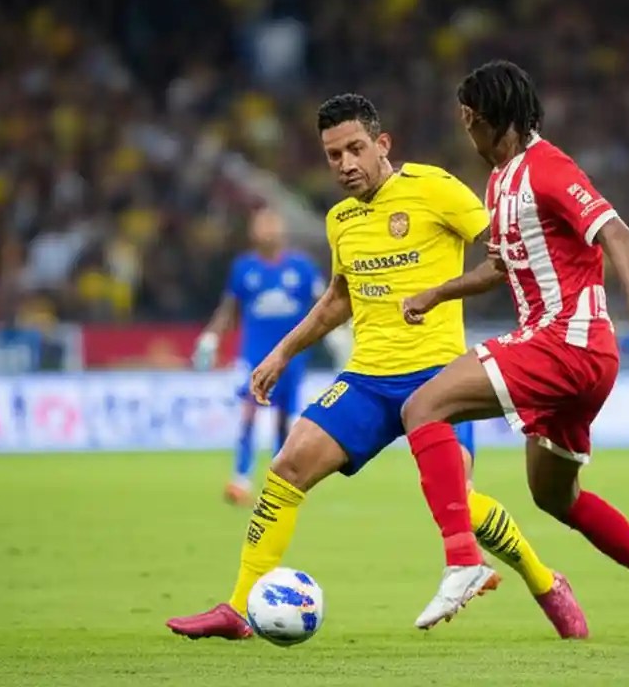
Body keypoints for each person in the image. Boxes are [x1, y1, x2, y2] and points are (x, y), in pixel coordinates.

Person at [165, 93, 587, 640]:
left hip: (440, 379)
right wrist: (282, 352)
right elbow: (339, 299)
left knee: (459, 500)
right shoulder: (340, 220)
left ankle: (545, 581)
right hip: (367, 379)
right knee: (288, 466)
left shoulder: (435, 189)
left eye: (355, 149)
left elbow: (504, 251)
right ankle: (238, 607)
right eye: (333, 155)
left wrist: (514, 314)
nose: (345, 165)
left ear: (382, 144)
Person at [398, 61, 629, 641]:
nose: (464, 135)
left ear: (482, 118)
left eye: (466, 122)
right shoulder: (501, 181)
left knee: (422, 408)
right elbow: (502, 268)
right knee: (554, 497)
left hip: (564, 342)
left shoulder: (548, 168)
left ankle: (463, 559)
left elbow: (620, 235)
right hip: (580, 360)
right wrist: (439, 292)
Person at [192, 209, 325, 505]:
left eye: (271, 222)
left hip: (292, 357)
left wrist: (342, 333)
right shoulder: (244, 269)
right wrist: (211, 336)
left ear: (282, 228)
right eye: (261, 224)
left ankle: (280, 480)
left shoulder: (302, 268)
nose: (267, 229)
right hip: (254, 356)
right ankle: (240, 477)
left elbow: (325, 304)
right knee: (249, 413)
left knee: (283, 420)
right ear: (253, 231)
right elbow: (229, 309)